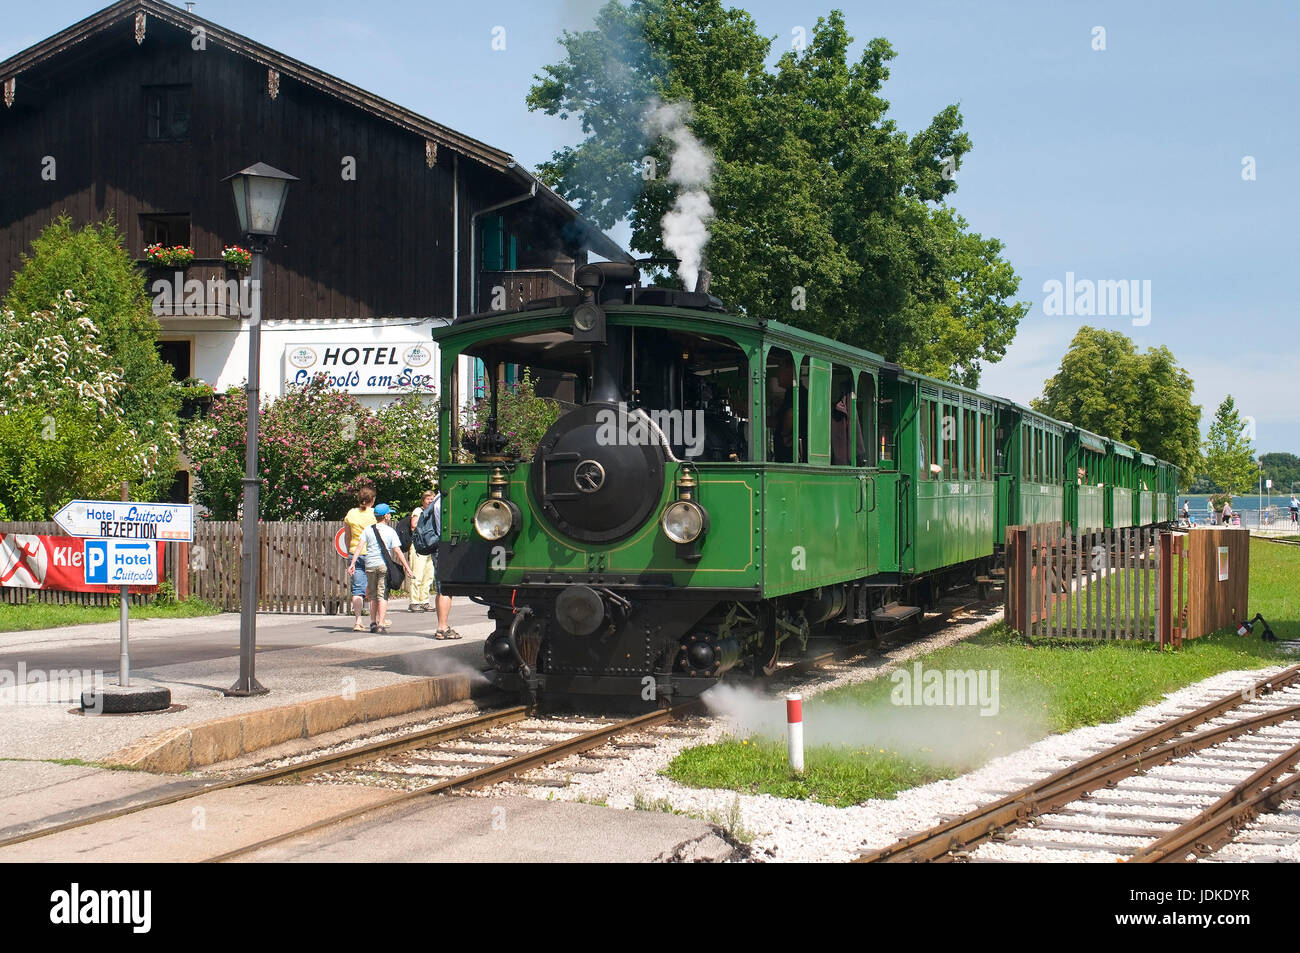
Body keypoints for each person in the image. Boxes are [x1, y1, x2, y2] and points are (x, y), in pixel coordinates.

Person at [348, 503, 411, 633]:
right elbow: (397, 551)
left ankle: (372, 622)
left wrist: (352, 563)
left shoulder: (368, 529)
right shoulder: (390, 531)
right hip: (383, 566)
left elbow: (359, 547)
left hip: (369, 565)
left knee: (372, 595)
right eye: (389, 514)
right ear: (386, 516)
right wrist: (407, 567)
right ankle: (381, 624)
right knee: (382, 595)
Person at [342, 485, 377, 631]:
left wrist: (349, 551)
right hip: (372, 553)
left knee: (357, 589)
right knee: (374, 588)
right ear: (372, 500)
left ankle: (358, 620)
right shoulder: (375, 514)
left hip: (355, 553)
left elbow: (348, 535)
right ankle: (375, 620)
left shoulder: (351, 513)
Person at [430, 489, 461, 640]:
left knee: (440, 588)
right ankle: (442, 627)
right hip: (445, 546)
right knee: (445, 588)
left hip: (438, 546)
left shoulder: (436, 499)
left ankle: (441, 624)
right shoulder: (445, 500)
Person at [406, 490, 436, 613]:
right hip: (418, 546)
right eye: (428, 499)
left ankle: (424, 601)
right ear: (423, 500)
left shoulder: (433, 512)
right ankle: (414, 602)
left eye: (432, 499)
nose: (430, 501)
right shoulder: (418, 511)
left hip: (429, 546)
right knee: (417, 575)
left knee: (428, 576)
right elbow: (414, 525)